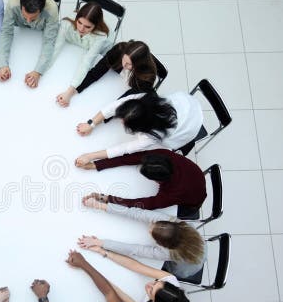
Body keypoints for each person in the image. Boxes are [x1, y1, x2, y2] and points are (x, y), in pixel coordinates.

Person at [78, 200, 207, 280]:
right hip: (199, 245)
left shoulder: (167, 253)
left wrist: (99, 242)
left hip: (187, 266)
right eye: (154, 224)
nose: (149, 227)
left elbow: (134, 250)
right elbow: (136, 213)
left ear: (162, 244)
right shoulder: (174, 222)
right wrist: (99, 205)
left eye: (152, 232)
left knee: (168, 268)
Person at [77, 243, 192, 302]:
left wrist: (90, 269)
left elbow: (119, 294)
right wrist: (103, 252)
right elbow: (136, 266)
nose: (148, 285)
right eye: (155, 283)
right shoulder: (170, 279)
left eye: (151, 291)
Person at [74, 91, 203, 165]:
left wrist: (90, 156)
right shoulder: (141, 100)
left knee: (160, 150)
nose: (121, 122)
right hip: (186, 103)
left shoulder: (153, 135)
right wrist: (91, 123)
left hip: (191, 124)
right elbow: (115, 106)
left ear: (141, 127)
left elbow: (124, 149)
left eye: (124, 121)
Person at [77, 148, 206, 211]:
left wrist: (106, 199)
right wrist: (97, 165)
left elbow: (141, 204)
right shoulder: (164, 154)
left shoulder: (173, 193)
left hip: (192, 201)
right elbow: (131, 157)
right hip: (195, 175)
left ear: (158, 181)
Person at [56, 40, 157, 107]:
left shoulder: (147, 77)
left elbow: (127, 99)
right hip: (111, 82)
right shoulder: (119, 50)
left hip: (124, 92)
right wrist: (72, 92)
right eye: (123, 60)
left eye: (129, 65)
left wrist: (97, 120)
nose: (124, 65)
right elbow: (96, 72)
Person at [0, 0, 59, 88]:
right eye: (25, 17)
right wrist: (3, 65)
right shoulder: (12, 4)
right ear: (21, 6)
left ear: (41, 10)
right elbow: (6, 33)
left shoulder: (52, 10)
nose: (28, 21)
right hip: (20, 33)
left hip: (39, 34)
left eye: (33, 18)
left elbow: (49, 42)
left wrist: (38, 72)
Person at [49, 3, 110, 102]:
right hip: (71, 52)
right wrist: (40, 72)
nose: (81, 29)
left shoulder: (101, 37)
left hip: (97, 53)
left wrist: (69, 92)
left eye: (87, 27)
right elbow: (56, 47)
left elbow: (86, 62)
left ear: (95, 26)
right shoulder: (67, 23)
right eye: (79, 22)